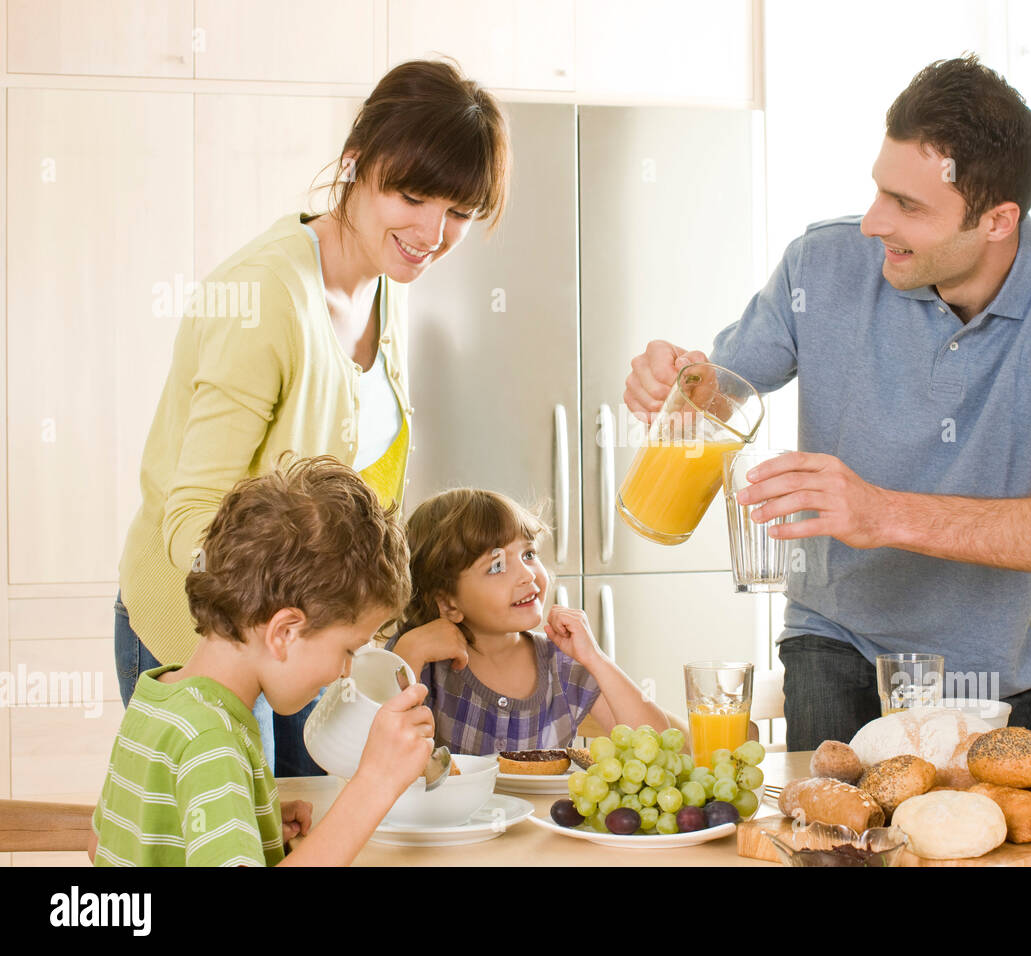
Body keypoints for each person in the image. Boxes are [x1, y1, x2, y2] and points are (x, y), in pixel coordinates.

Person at [623, 55, 1031, 749]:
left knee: (968, 852)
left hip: (991, 669)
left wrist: (885, 513)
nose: (873, 223)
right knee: (832, 851)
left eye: (907, 206)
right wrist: (679, 385)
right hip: (835, 643)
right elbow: (720, 394)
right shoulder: (821, 264)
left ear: (997, 220)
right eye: (880, 190)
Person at [114, 58, 509, 775]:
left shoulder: (387, 289)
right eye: (415, 196)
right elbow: (190, 521)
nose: (432, 232)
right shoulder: (266, 296)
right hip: (207, 640)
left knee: (308, 829)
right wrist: (284, 628)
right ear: (357, 163)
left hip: (310, 647)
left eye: (458, 213)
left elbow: (360, 494)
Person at [91, 455, 434, 866]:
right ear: (284, 632)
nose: (345, 671)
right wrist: (374, 783)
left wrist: (247, 818)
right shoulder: (211, 740)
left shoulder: (157, 700)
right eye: (347, 650)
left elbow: (103, 845)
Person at [387, 488, 671, 753]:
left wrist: (596, 659)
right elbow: (373, 753)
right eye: (497, 566)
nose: (527, 574)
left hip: (541, 810)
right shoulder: (418, 658)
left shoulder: (563, 665)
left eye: (529, 554)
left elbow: (657, 748)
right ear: (448, 602)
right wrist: (408, 654)